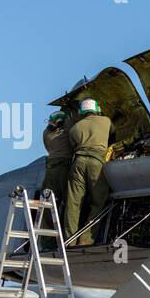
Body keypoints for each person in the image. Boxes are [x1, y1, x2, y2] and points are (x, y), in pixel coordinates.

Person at [64, 98, 112, 245]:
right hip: (97, 162)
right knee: (98, 200)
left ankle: (69, 241)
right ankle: (86, 239)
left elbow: (72, 147)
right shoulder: (106, 121)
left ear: (81, 112)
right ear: (97, 109)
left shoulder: (75, 128)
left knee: (73, 203)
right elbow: (113, 138)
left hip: (78, 162)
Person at [39, 111, 72, 215]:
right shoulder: (69, 130)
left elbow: (48, 148)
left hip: (51, 168)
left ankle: (45, 228)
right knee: (70, 202)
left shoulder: (46, 133)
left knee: (49, 201)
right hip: (66, 167)